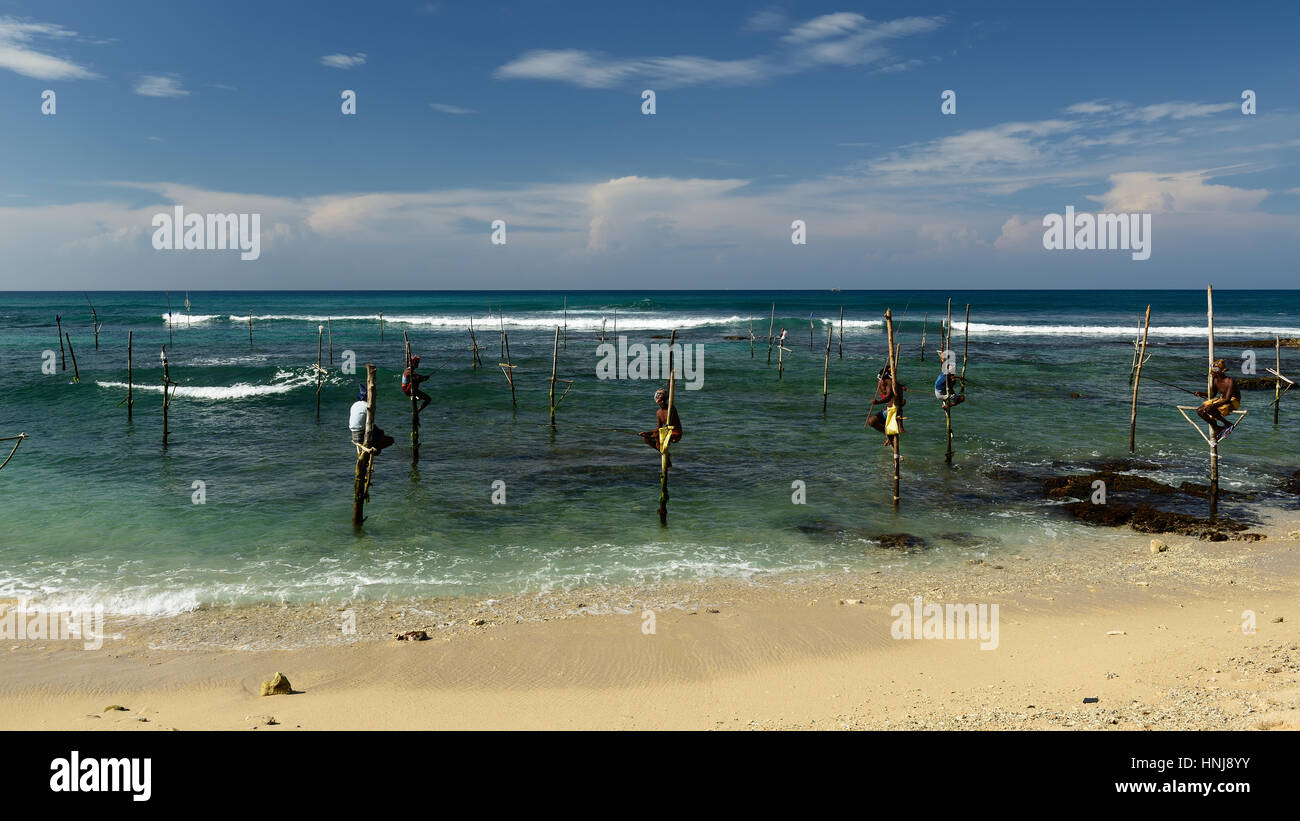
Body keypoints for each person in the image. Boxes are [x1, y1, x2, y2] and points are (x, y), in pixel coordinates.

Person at [1194, 359, 1241, 440]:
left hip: (1233, 401)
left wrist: (1212, 405)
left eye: (1213, 372)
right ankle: (1217, 428)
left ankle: (1228, 424)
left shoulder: (1230, 381)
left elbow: (1227, 399)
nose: (1211, 374)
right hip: (1222, 399)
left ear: (1219, 373)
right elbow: (1213, 394)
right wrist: (1201, 393)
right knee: (1200, 411)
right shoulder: (1215, 380)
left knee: (1209, 408)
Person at [640, 388, 683, 466]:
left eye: (663, 400)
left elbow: (665, 428)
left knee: (657, 436)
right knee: (646, 438)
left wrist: (657, 437)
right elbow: (658, 429)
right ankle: (665, 454)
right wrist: (647, 433)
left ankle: (665, 457)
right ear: (657, 401)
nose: (662, 402)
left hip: (676, 433)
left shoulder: (671, 408)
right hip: (665, 433)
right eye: (660, 400)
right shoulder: (659, 413)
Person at [865, 366, 906, 447]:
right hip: (887, 410)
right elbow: (886, 395)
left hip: (892, 411)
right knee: (871, 421)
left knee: (873, 421)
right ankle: (889, 435)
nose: (879, 382)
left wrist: (878, 402)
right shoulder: (885, 384)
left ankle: (891, 438)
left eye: (880, 380)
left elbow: (889, 397)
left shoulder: (890, 384)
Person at [349, 386, 395, 453]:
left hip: (354, 436)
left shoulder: (354, 405)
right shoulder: (368, 406)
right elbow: (370, 424)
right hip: (363, 437)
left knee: (379, 434)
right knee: (390, 440)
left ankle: (372, 451)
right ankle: (374, 451)